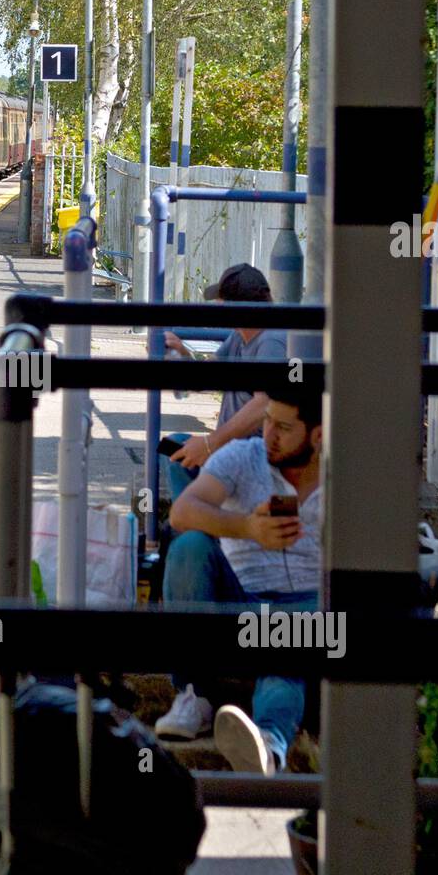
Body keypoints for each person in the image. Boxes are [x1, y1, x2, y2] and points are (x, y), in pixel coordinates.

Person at [156, 387, 322, 777]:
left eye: (283, 427)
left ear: (317, 435)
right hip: (242, 597)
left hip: (309, 610)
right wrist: (247, 527)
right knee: (189, 546)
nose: (269, 435)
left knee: (288, 637)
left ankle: (267, 746)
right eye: (267, 421)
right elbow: (183, 511)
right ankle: (194, 693)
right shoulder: (244, 457)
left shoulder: (344, 475)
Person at [162, 263, 288, 502]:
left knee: (177, 454)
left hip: (253, 457)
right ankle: (194, 518)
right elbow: (208, 377)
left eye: (220, 302)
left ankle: (199, 526)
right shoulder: (240, 335)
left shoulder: (271, 340)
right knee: (171, 448)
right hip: (229, 449)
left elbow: (264, 403)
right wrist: (180, 352)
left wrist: (210, 444)